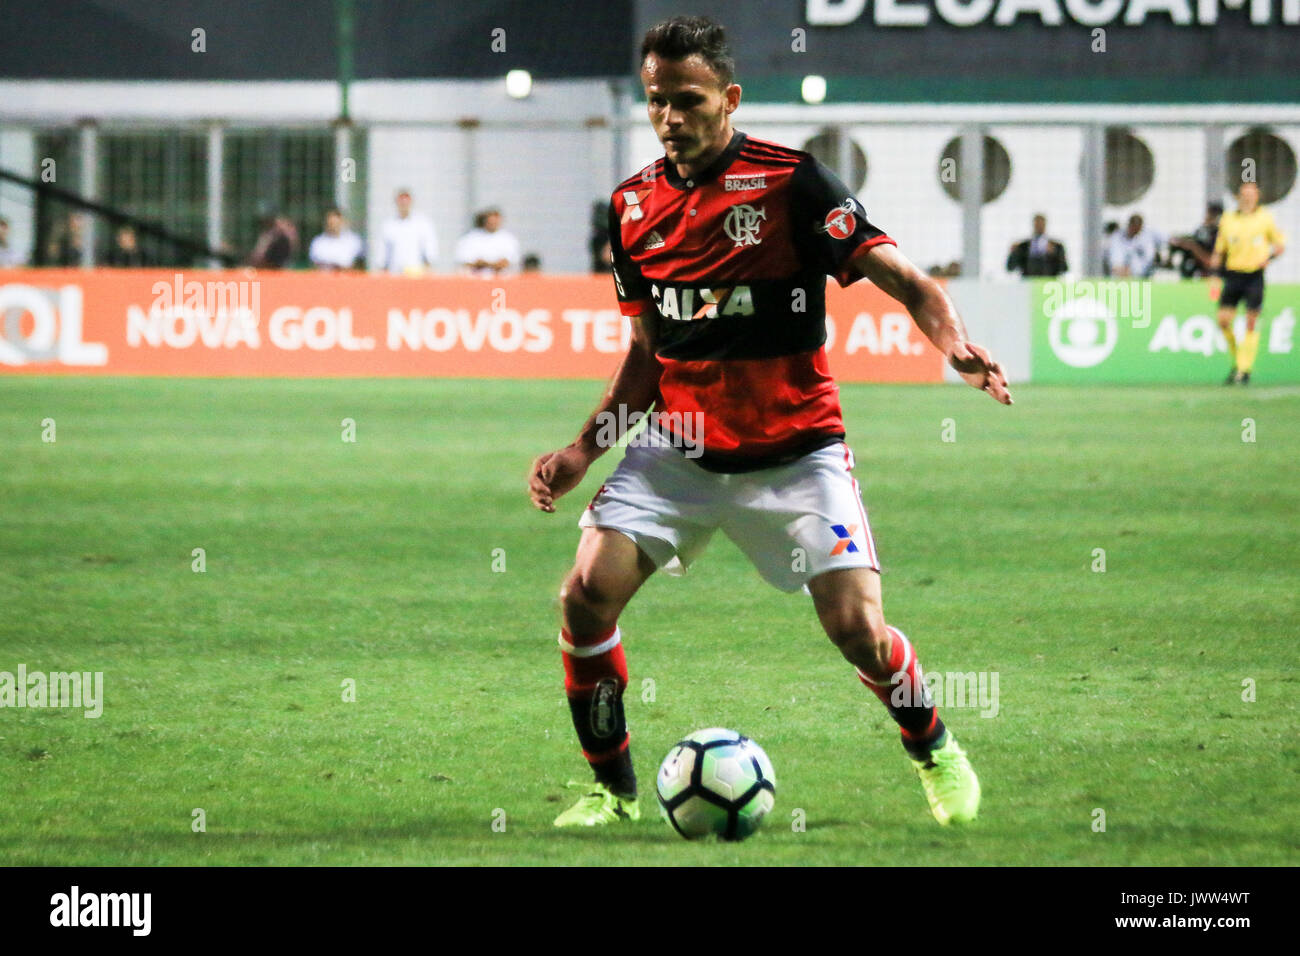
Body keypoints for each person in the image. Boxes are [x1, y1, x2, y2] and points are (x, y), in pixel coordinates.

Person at [528, 15, 1010, 831]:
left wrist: (952, 343)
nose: (670, 118)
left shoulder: (792, 184)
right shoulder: (631, 208)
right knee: (583, 599)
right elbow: (648, 355)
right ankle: (611, 791)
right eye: (656, 102)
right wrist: (585, 449)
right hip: (679, 450)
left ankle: (935, 750)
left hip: (797, 452)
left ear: (730, 99)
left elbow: (908, 281)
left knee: (858, 628)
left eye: (688, 100)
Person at [1211, 182, 1286, 385]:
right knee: (1224, 321)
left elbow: (1280, 245)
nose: (1248, 198)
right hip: (1233, 274)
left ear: (1257, 196)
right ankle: (1238, 362)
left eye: (1251, 194)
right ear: (1238, 197)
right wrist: (1214, 275)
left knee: (1251, 320)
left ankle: (1245, 368)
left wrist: (1268, 259)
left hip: (1254, 275)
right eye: (1244, 194)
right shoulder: (1228, 219)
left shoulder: (1265, 218)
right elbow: (1219, 250)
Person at [379, 189, 438, 275]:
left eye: (406, 200)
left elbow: (430, 253)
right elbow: (382, 256)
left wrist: (427, 270)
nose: (404, 204)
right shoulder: (388, 225)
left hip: (416, 275)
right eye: (401, 200)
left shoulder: (423, 224)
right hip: (394, 275)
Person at [453, 207, 521, 277]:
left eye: (495, 220)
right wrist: (485, 264)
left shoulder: (508, 239)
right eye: (490, 220)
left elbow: (508, 262)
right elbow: (465, 261)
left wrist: (488, 264)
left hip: (501, 279)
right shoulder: (470, 238)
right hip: (476, 279)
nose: (493, 222)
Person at [1169, 202, 1223, 279]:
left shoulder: (1220, 236)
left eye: (1210, 216)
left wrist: (1193, 247)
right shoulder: (1201, 230)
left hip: (1212, 279)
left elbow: (1211, 263)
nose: (1206, 218)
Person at [1106, 214, 1165, 278]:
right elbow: (1115, 259)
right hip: (1123, 276)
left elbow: (1169, 239)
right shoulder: (1118, 237)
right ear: (1129, 225)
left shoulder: (1149, 235)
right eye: (1133, 226)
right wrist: (1120, 268)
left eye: (1138, 227)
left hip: (1146, 275)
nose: (1135, 229)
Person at [308, 207, 364, 271]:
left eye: (336, 223)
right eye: (331, 223)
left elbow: (359, 264)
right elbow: (314, 265)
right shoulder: (318, 242)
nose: (333, 226)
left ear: (342, 222)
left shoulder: (354, 241)